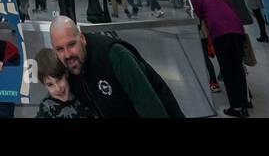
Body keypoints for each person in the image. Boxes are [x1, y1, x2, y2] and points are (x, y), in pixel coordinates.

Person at [49, 16, 182, 117]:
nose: (67, 54)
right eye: (60, 49)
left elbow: (150, 107)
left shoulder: (115, 55)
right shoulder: (65, 68)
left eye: (72, 45)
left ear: (82, 39)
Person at [190, 0, 249, 117]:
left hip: (221, 33)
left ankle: (236, 106)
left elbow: (195, 16)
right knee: (238, 68)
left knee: (228, 71)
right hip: (237, 30)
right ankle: (244, 103)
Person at [34, 47, 93, 118]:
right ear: (44, 85)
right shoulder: (46, 107)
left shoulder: (83, 92)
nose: (58, 88)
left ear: (66, 73)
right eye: (50, 84)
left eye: (59, 79)